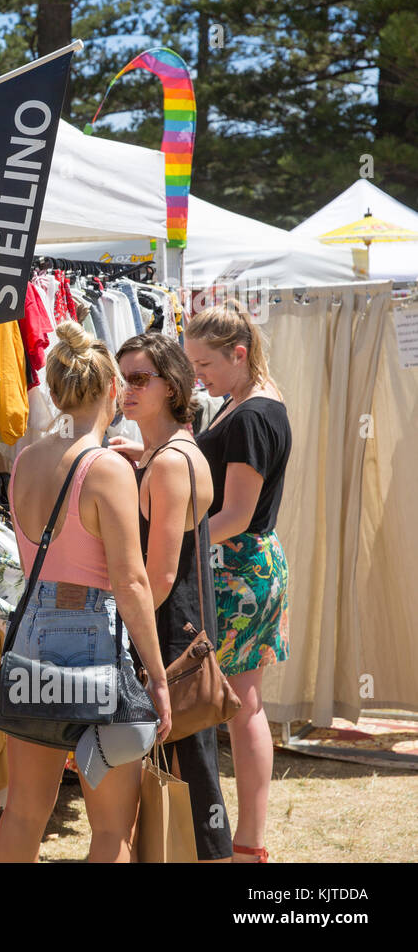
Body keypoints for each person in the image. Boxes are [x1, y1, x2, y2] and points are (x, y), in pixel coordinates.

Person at [0, 321, 171, 864]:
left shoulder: (25, 458)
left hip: (33, 644)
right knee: (111, 828)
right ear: (113, 391)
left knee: (24, 812)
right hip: (97, 647)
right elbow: (132, 581)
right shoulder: (107, 468)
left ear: (52, 391)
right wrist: (159, 678)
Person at [113, 332, 233, 862]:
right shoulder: (174, 454)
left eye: (140, 379)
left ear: (173, 385)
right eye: (122, 379)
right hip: (184, 626)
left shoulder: (167, 463)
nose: (126, 390)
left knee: (187, 774)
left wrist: (122, 628)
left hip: (168, 631)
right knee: (187, 772)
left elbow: (158, 576)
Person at [185, 302, 291, 864]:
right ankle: (247, 837)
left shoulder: (250, 415)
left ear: (239, 353)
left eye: (204, 363)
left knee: (241, 704)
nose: (197, 374)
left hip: (239, 568)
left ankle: (249, 839)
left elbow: (237, 515)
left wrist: (177, 538)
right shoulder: (246, 400)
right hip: (245, 567)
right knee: (242, 702)